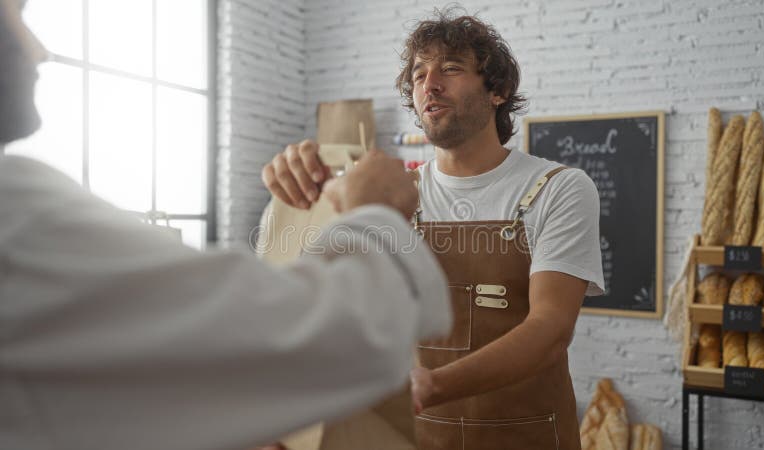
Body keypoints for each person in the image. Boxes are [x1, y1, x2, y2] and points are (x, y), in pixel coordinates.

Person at [0, 1, 452, 449]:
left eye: (451, 70)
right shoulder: (16, 216)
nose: (39, 50)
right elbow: (331, 341)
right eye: (17, 14)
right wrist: (368, 210)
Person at [262, 7, 604, 449]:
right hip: (411, 436)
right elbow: (303, 286)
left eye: (451, 68)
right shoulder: (391, 193)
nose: (430, 84)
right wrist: (289, 181)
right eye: (419, 74)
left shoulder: (558, 188)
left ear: (497, 90)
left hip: (526, 435)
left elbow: (551, 328)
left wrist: (430, 386)